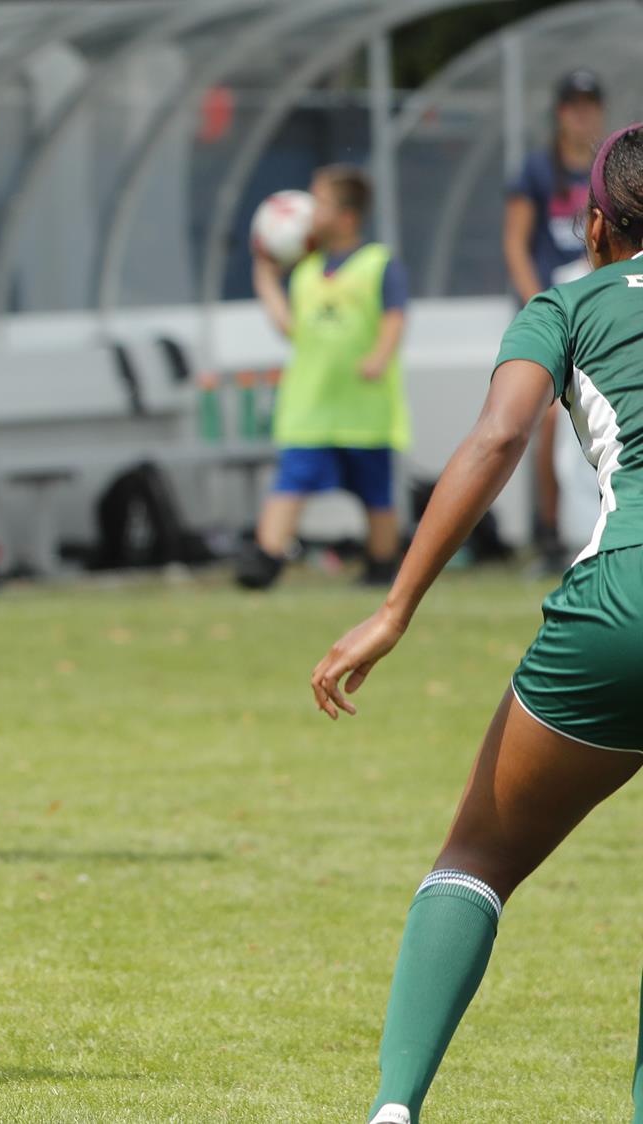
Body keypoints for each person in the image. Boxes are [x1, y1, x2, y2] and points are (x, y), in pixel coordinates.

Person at [312, 122, 643, 1124]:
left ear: (594, 227)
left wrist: (393, 609)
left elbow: (498, 436)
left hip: (621, 606)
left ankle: (393, 1109)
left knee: (477, 858)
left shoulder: (568, 303)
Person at [237, 165, 409, 590]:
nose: (308, 212)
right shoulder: (306, 269)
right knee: (291, 482)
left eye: (320, 204)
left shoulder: (378, 264)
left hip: (363, 408)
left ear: (347, 217)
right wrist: (265, 278)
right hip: (311, 407)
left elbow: (394, 317)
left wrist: (379, 356)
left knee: (375, 493)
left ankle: (382, 563)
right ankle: (265, 559)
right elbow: (289, 326)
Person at [506, 70, 606, 572]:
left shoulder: (608, 168)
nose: (582, 115)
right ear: (560, 112)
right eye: (573, 106)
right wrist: (542, 306)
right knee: (549, 418)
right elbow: (515, 244)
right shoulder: (538, 170)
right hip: (557, 306)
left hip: (602, 306)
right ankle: (550, 530)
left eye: (590, 106)